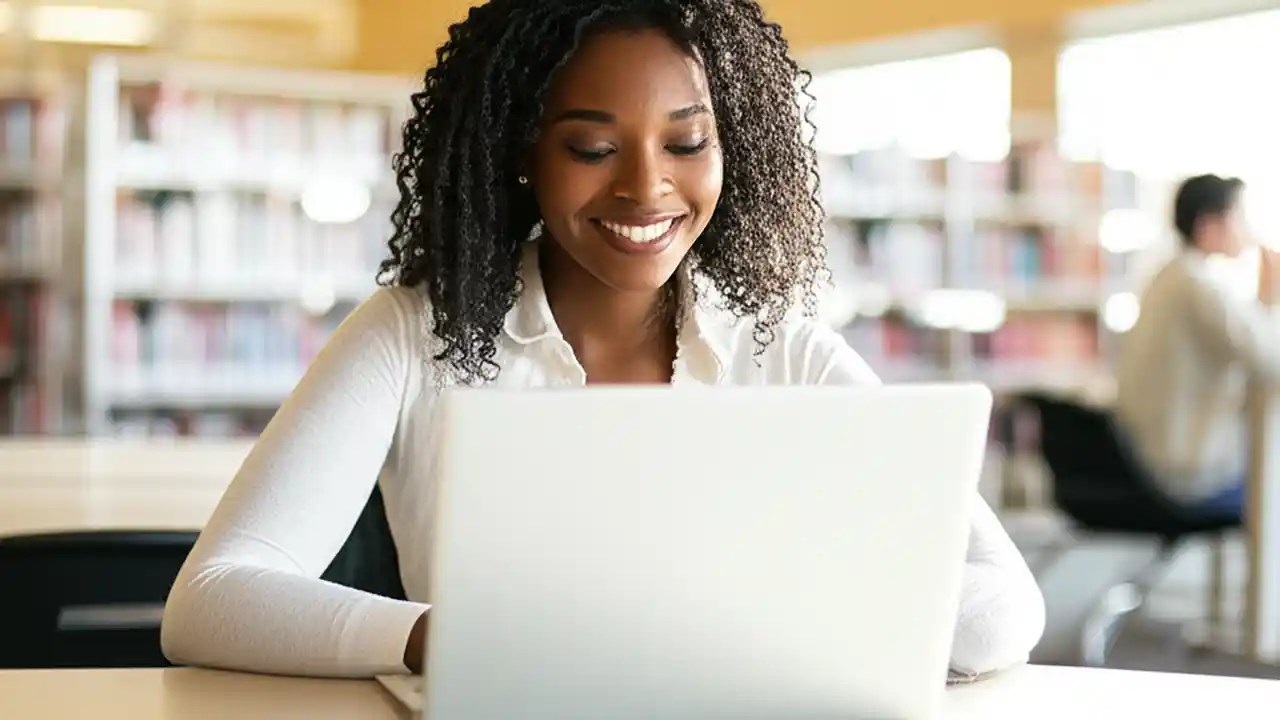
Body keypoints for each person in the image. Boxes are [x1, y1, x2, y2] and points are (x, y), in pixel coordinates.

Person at [161, 0, 1044, 680]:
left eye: (687, 141)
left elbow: (1007, 605)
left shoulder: (788, 353)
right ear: (523, 152)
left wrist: (784, 626)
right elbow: (209, 601)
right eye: (591, 147)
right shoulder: (412, 335)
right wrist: (456, 640)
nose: (646, 188)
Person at [1116, 174, 1280, 517]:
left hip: (1152, 458)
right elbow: (1269, 358)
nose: (1247, 231)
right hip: (1185, 474)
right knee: (1270, 488)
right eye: (1240, 217)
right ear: (1210, 225)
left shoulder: (1172, 275)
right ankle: (1260, 573)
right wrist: (1273, 295)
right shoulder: (1198, 285)